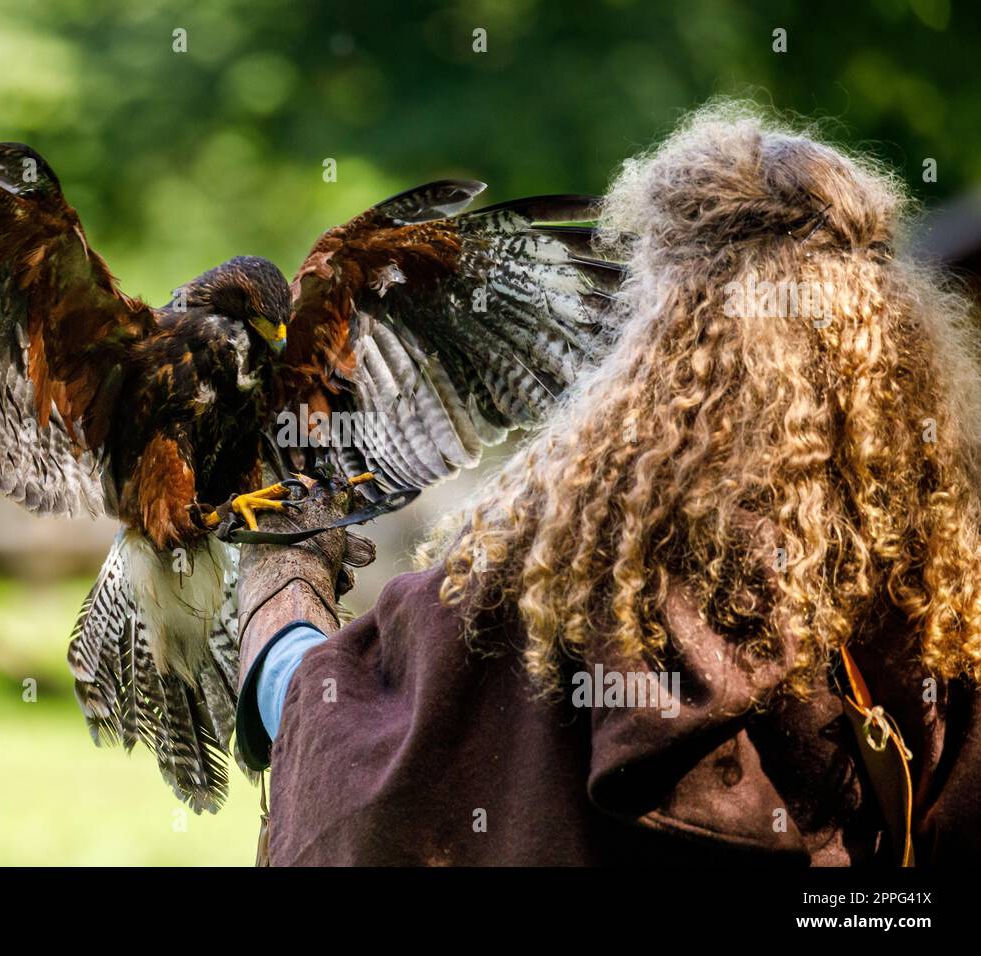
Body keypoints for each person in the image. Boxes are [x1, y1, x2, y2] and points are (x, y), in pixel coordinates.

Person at [232, 104, 981, 866]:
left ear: (655, 316)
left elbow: (356, 756)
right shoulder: (946, 589)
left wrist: (279, 599)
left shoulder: (543, 584)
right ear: (896, 326)